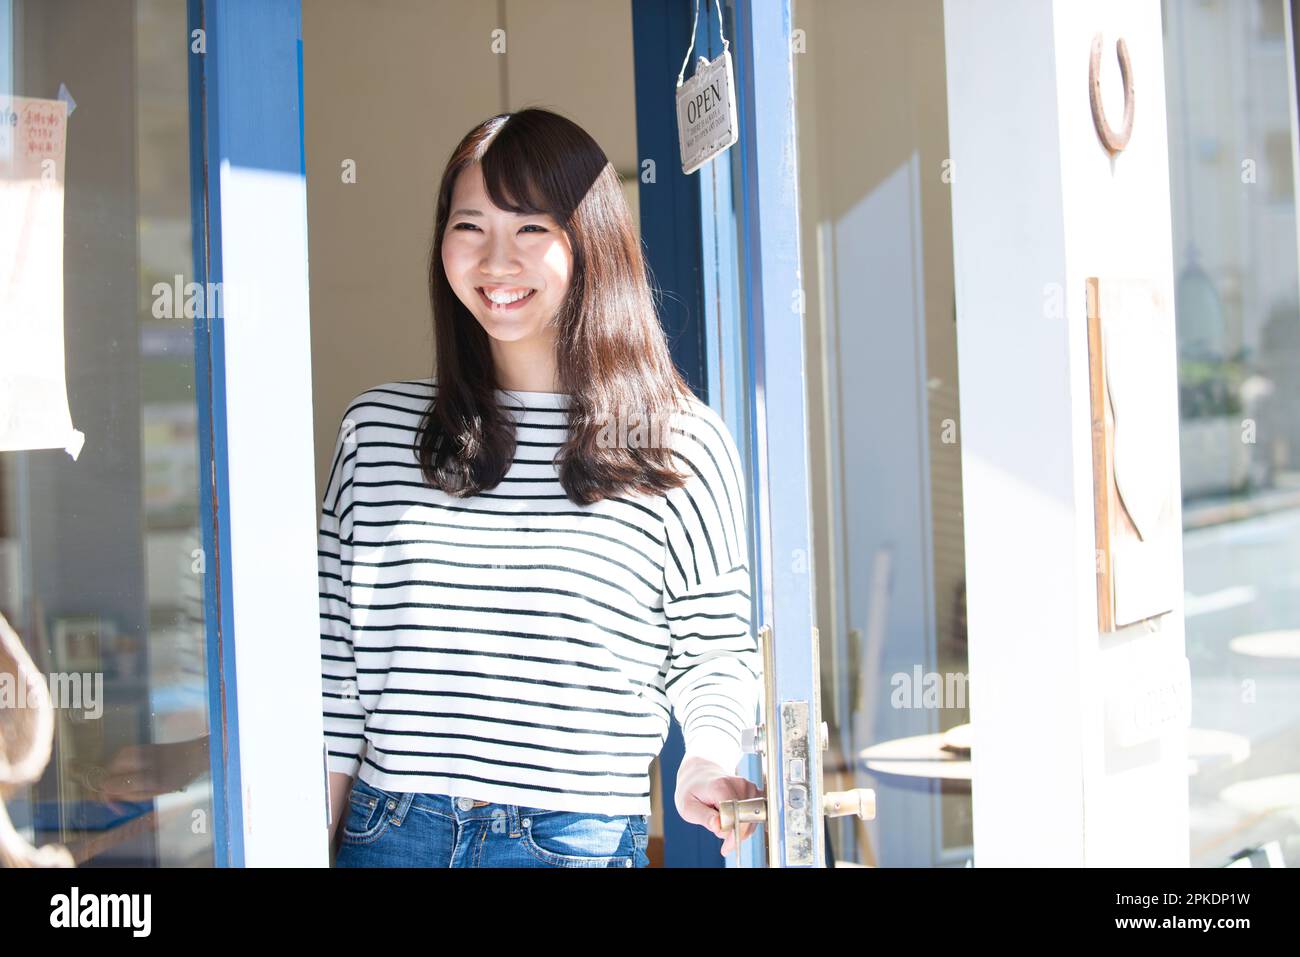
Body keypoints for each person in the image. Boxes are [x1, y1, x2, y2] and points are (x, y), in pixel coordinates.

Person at [320, 107, 762, 868]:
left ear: (589, 242)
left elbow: (712, 648)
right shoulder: (377, 432)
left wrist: (704, 760)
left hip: (574, 839)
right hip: (391, 830)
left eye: (531, 227)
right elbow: (335, 677)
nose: (498, 260)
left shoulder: (677, 441)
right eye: (470, 226)